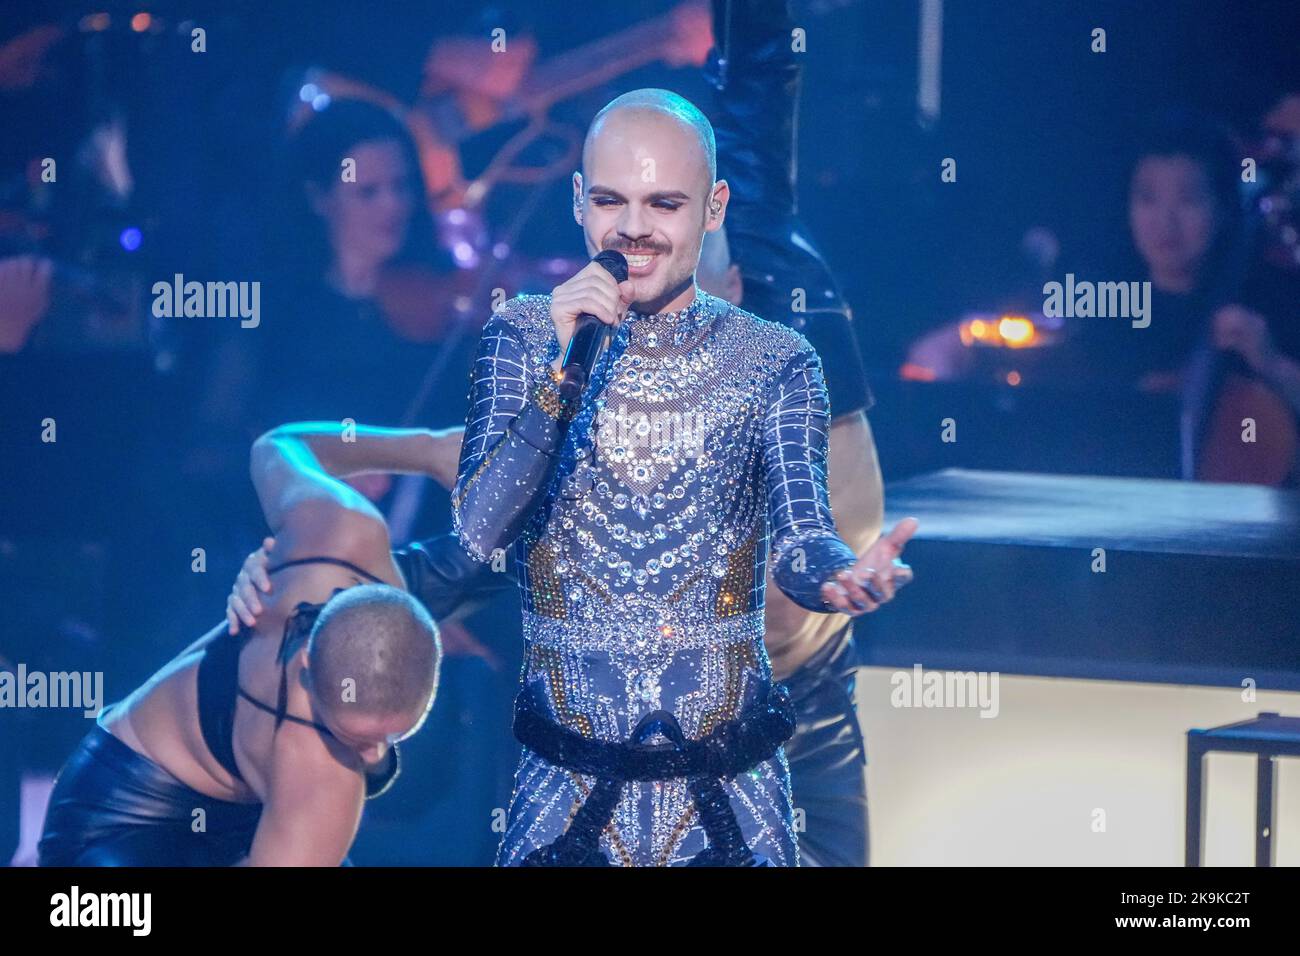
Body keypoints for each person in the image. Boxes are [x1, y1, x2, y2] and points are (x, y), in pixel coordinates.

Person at [449, 86, 917, 866]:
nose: (632, 228)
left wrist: (842, 579)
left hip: (728, 801)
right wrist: (561, 376)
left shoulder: (776, 361)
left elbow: (803, 540)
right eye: (610, 199)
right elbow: (474, 534)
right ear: (577, 200)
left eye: (664, 203)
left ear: (714, 206)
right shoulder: (522, 337)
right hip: (562, 789)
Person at [37, 423, 444, 866]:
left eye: (391, 736)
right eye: (360, 735)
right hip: (124, 816)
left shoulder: (347, 551)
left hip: (253, 818)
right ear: (308, 668)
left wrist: (436, 455)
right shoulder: (336, 533)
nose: (376, 754)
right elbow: (280, 445)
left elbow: (284, 448)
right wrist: (425, 447)